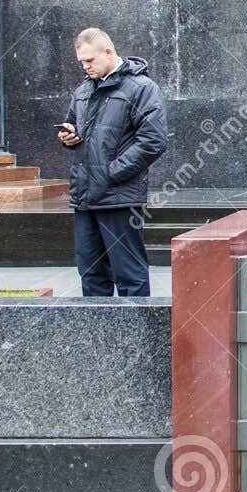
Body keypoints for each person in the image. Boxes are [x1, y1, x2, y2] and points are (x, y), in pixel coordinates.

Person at [57, 28, 168, 297]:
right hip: (85, 196)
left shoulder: (142, 89)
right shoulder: (84, 90)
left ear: (108, 52)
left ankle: (140, 335)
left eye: (89, 61)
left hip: (119, 196)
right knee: (91, 273)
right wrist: (68, 136)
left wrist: (111, 173)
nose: (85, 67)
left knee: (129, 273)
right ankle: (97, 336)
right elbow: (74, 124)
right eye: (81, 62)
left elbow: (153, 141)